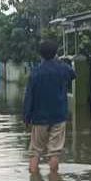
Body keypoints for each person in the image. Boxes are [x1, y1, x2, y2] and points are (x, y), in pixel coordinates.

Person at [22, 39, 75, 174]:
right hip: (58, 116)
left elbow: (29, 97)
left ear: (40, 55)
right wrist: (58, 61)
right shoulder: (61, 68)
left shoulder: (35, 72)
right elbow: (73, 74)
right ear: (56, 53)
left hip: (39, 118)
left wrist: (26, 117)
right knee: (54, 152)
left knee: (35, 151)